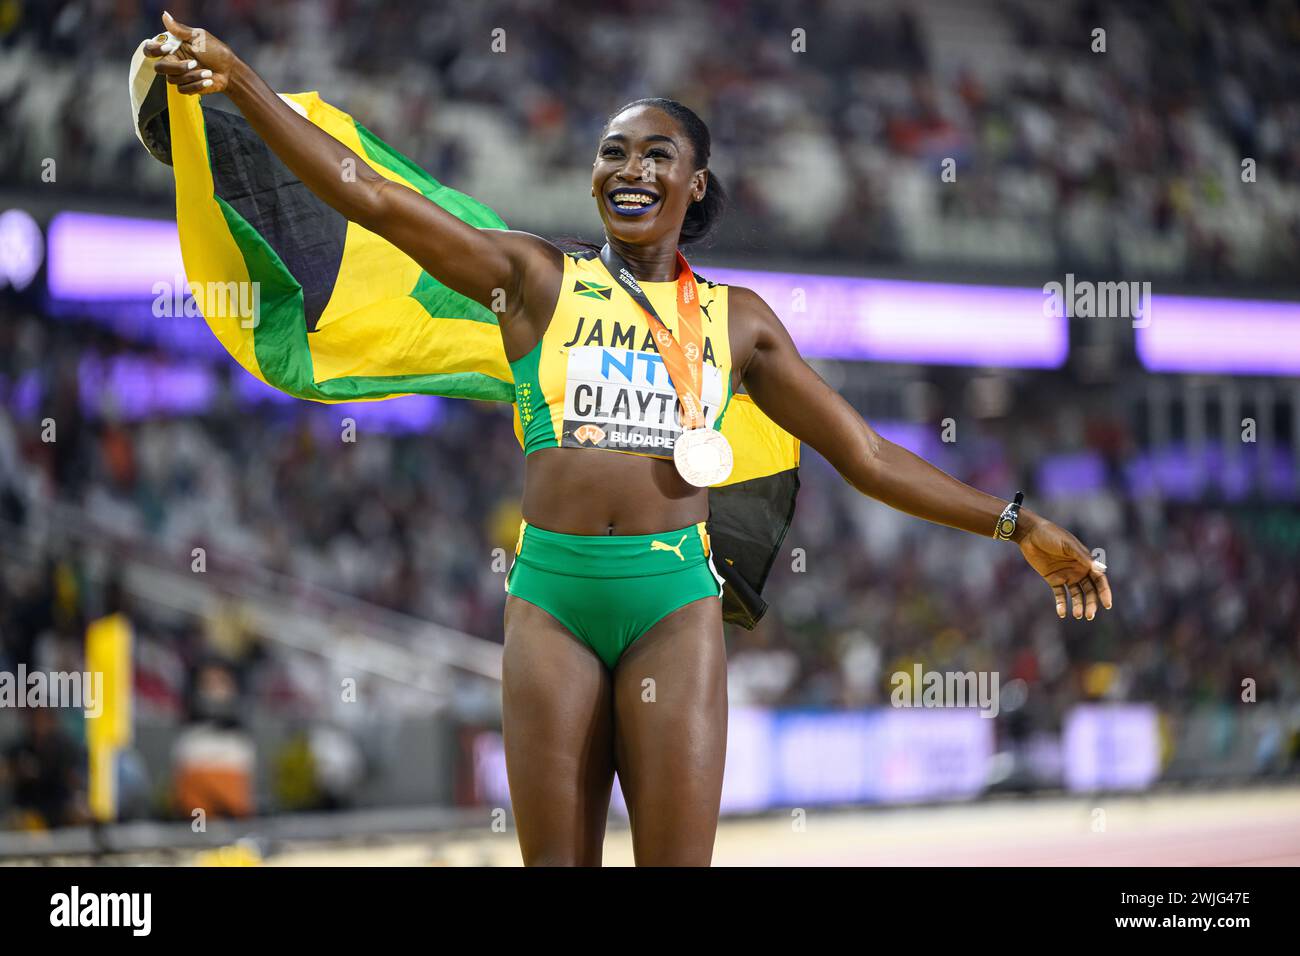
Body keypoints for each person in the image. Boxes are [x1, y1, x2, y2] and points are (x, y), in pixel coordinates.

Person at [143, 11, 1112, 866]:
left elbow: (863, 453)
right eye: (612, 152)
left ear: (697, 183)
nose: (630, 168)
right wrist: (241, 83)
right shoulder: (534, 279)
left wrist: (1015, 522)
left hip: (672, 605)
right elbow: (373, 198)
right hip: (552, 601)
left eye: (656, 154)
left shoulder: (739, 322)